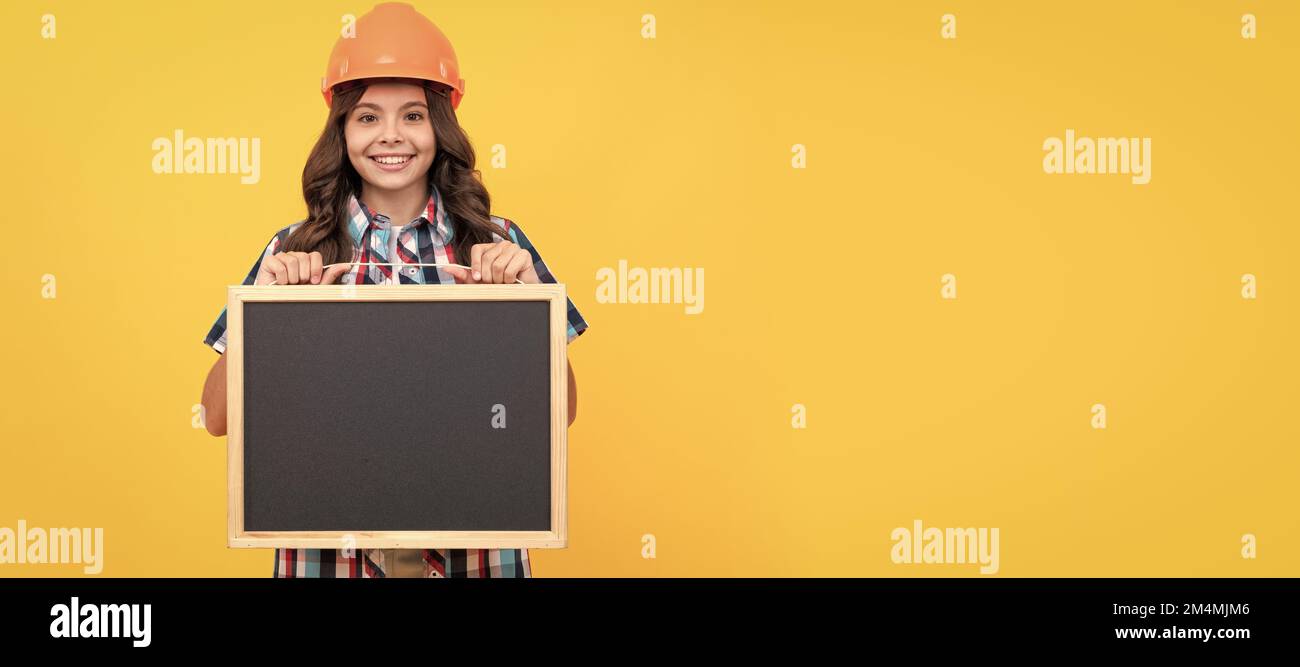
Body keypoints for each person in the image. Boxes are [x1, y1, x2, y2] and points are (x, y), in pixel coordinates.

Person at [197, 2, 589, 578]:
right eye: (367, 117)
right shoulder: (295, 248)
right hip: (327, 558)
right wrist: (274, 317)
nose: (390, 137)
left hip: (475, 556)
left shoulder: (497, 243)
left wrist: (524, 311)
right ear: (343, 131)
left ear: (440, 128)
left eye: (412, 115)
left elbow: (563, 416)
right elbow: (214, 416)